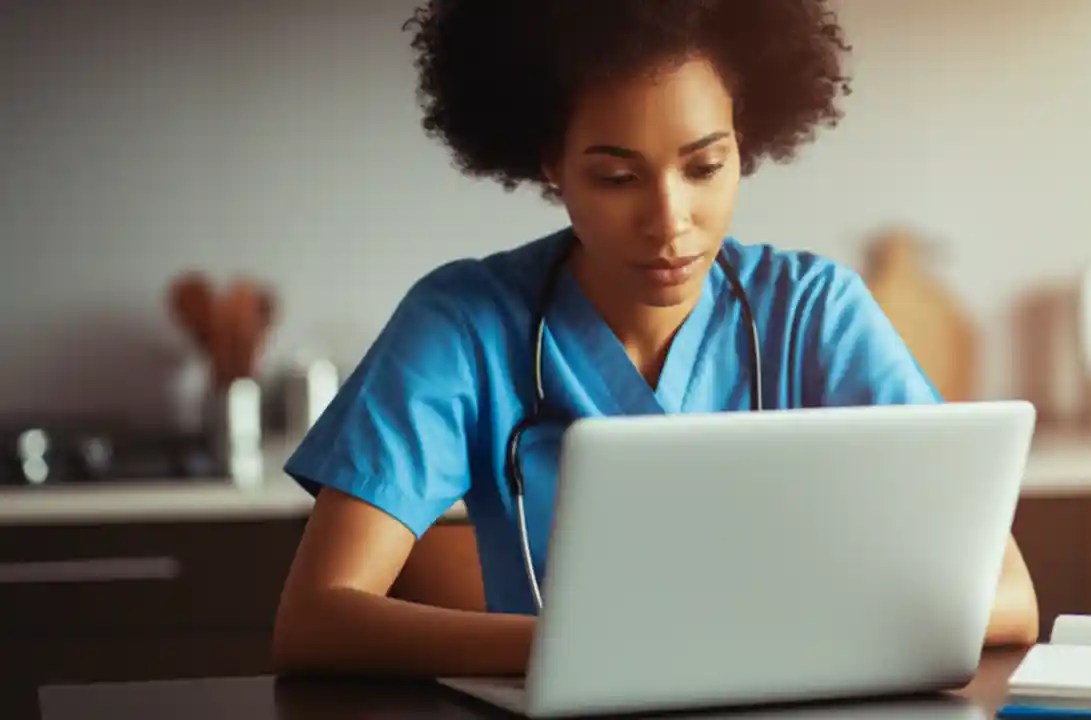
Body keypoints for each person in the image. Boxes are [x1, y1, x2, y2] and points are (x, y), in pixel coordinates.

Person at [272, 0, 1039, 679]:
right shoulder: (465, 322)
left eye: (705, 166)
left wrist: (752, 652)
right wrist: (573, 651)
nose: (670, 220)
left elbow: (1008, 597)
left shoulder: (815, 312)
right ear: (552, 165)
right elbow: (317, 618)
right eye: (616, 178)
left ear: (746, 143)